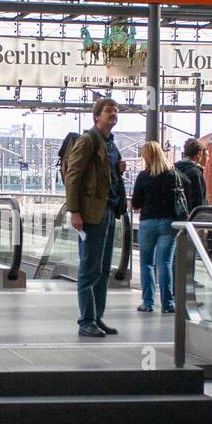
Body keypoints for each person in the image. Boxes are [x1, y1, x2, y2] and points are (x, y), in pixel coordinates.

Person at [64, 97, 127, 338]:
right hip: (91, 213)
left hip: (109, 211)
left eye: (116, 110)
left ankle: (97, 317)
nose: (114, 114)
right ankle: (86, 320)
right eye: (109, 111)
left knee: (103, 269)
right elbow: (73, 176)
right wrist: (74, 210)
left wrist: (118, 170)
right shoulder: (88, 140)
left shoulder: (111, 144)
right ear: (97, 116)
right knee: (90, 268)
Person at [131, 141, 183, 313]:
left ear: (146, 156)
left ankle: (148, 303)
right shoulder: (173, 174)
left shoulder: (143, 176)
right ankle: (168, 304)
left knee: (146, 264)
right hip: (168, 223)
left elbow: (136, 202)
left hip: (147, 223)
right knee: (165, 263)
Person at [174, 138, 208, 214]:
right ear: (199, 154)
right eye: (206, 155)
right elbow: (198, 200)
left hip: (176, 217)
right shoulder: (195, 173)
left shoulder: (174, 170)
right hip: (191, 218)